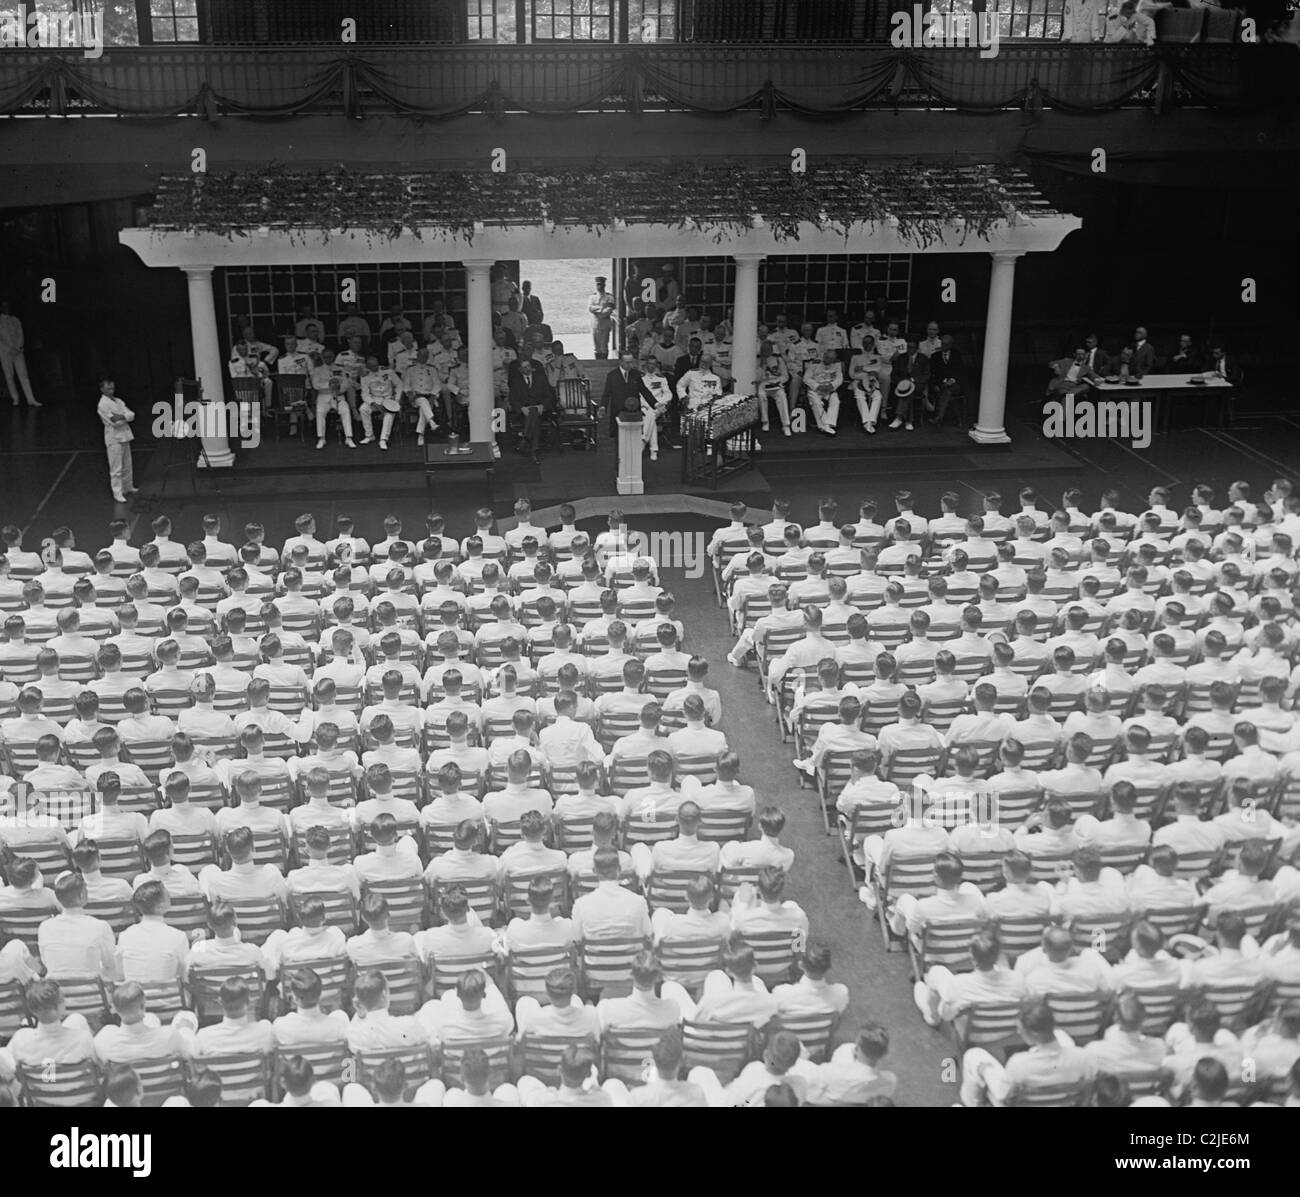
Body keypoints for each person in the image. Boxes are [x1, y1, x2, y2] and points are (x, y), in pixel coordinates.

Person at [96, 376, 136, 504]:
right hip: (114, 438)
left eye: (112, 388)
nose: (111, 391)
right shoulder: (102, 404)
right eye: (108, 388)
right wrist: (124, 417)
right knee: (116, 468)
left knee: (127, 464)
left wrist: (122, 416)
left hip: (125, 435)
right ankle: (117, 493)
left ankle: (128, 487)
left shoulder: (118, 401)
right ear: (102, 389)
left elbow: (132, 415)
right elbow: (115, 422)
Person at [507, 355, 554, 464]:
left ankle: (525, 439)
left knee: (534, 412)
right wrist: (521, 408)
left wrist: (542, 406)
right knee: (535, 419)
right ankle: (534, 451)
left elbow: (548, 395)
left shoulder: (540, 378)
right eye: (524, 367)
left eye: (528, 366)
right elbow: (512, 399)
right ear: (519, 370)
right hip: (524, 413)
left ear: (531, 367)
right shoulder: (516, 381)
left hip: (541, 410)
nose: (527, 369)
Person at [0, 299, 39, 407]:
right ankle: (15, 398)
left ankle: (30, 399)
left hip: (18, 351)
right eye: (4, 306)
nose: (6, 308)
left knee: (23, 374)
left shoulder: (16, 319)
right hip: (5, 352)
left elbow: (20, 333)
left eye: (8, 305)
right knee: (9, 375)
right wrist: (9, 348)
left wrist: (19, 346)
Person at [588, 276, 616, 360]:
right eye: (598, 284)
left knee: (604, 345)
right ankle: (598, 362)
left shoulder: (609, 297)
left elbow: (608, 311)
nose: (599, 286)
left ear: (604, 285)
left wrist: (597, 311)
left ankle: (604, 363)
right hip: (595, 324)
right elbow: (590, 308)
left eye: (601, 284)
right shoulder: (592, 297)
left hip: (605, 325)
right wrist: (601, 308)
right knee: (596, 346)